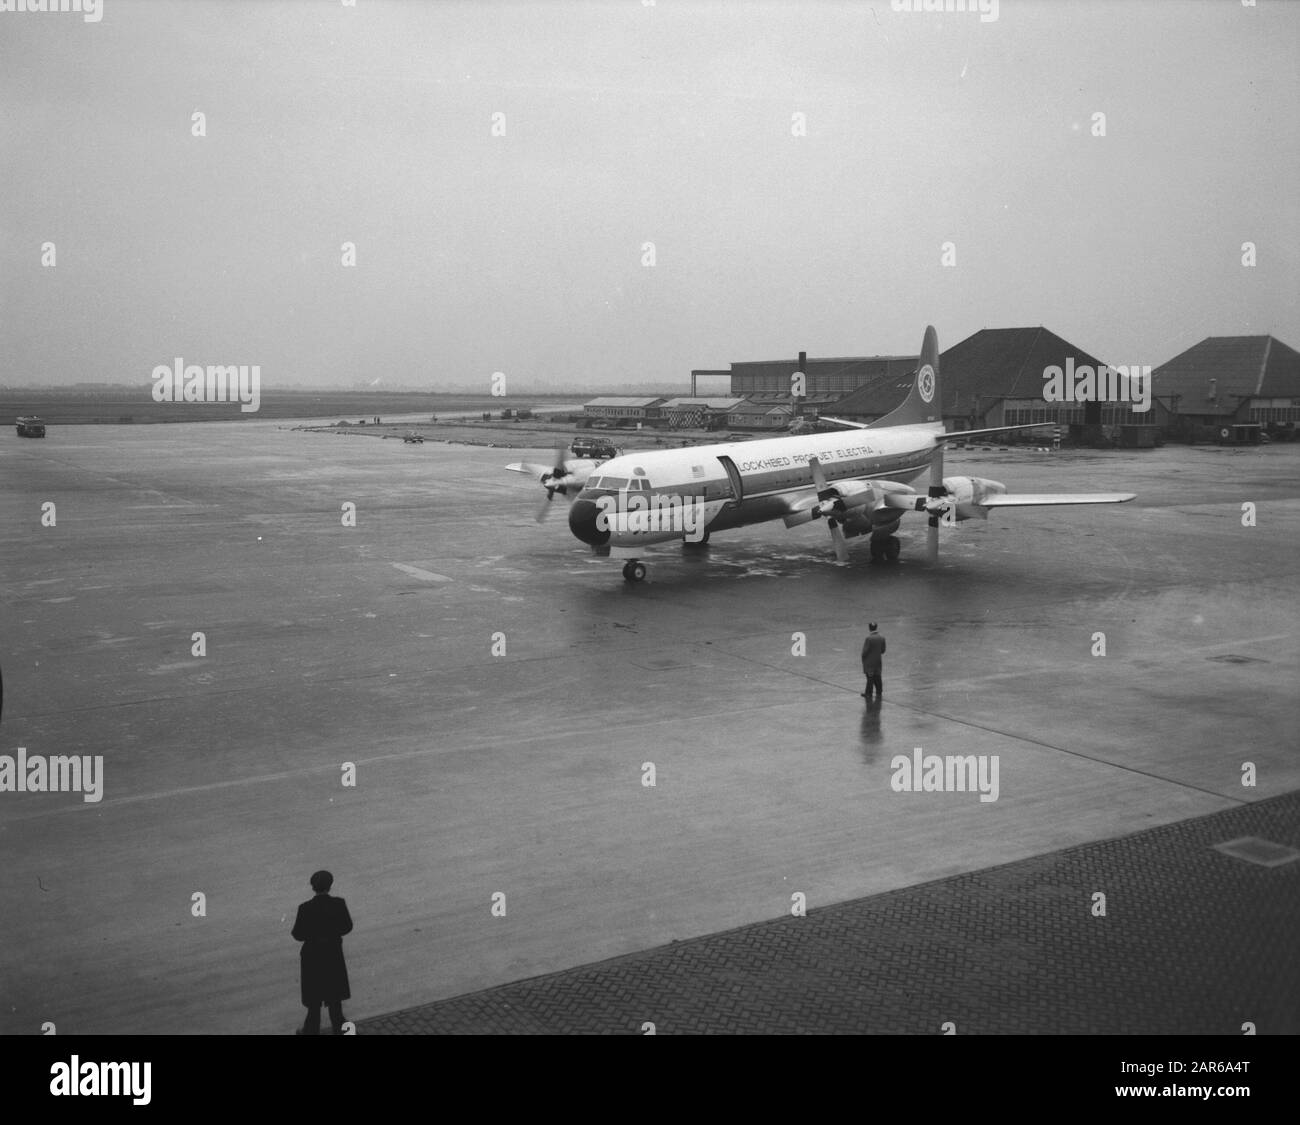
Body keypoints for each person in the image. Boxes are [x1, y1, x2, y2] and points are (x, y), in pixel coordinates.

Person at [292, 870, 353, 1035]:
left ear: (313, 887)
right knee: (335, 998)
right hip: (333, 953)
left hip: (313, 956)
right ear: (330, 886)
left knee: (314, 999)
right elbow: (347, 926)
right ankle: (341, 1029)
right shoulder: (339, 904)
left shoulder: (305, 908)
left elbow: (297, 934)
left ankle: (311, 1030)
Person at [861, 622, 886, 701]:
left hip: (869, 662)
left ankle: (868, 693)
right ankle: (879, 691)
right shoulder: (882, 638)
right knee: (878, 676)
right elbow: (883, 650)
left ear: (869, 628)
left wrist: (863, 658)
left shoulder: (869, 639)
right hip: (878, 661)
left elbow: (865, 651)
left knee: (870, 677)